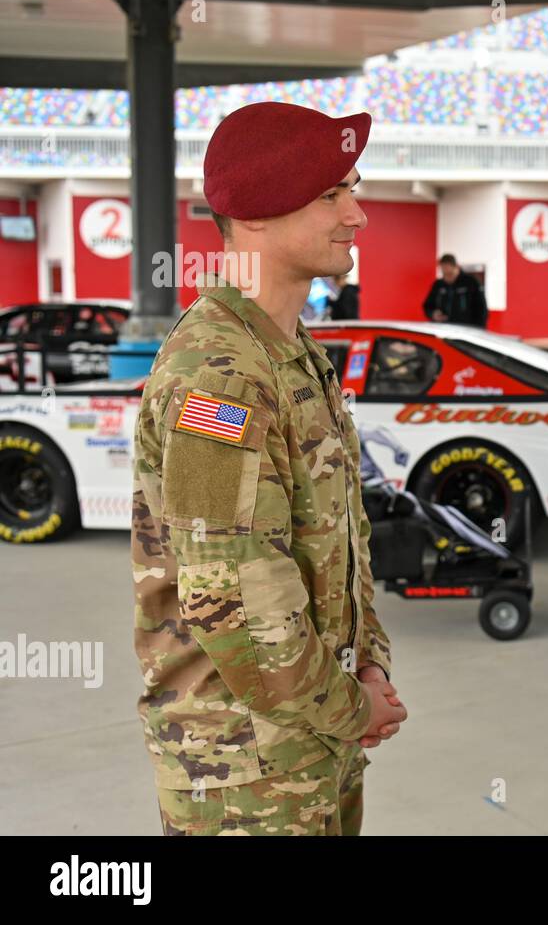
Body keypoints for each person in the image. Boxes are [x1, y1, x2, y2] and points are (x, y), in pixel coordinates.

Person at [132, 101, 407, 836]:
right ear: (252, 217)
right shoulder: (219, 377)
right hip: (245, 776)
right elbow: (239, 603)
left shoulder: (292, 353)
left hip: (309, 746)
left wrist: (370, 664)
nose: (358, 213)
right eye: (330, 195)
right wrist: (355, 708)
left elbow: (344, 544)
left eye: (353, 187)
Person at [423, 253, 486, 327]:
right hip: (443, 329)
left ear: (456, 267)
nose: (447, 278)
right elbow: (427, 305)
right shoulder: (438, 284)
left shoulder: (471, 283)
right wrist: (433, 314)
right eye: (444, 274)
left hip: (466, 330)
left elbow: (481, 309)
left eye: (450, 274)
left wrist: (478, 329)